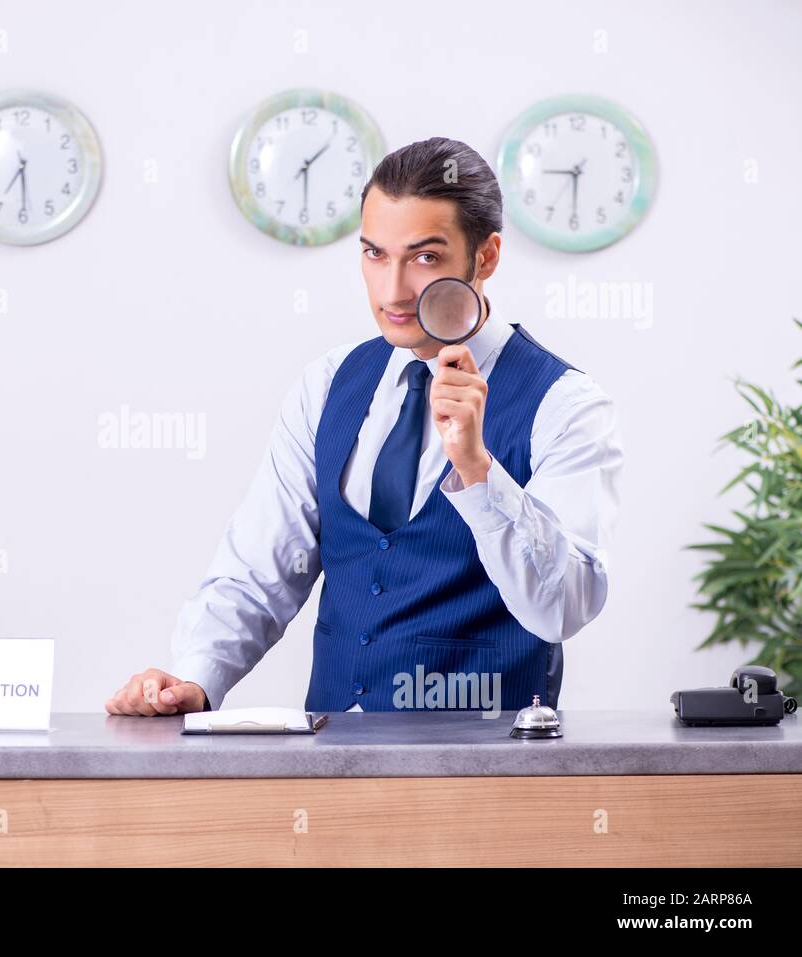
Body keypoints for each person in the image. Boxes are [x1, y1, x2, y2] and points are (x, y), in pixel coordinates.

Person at [105, 136, 622, 717]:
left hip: (489, 771)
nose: (392, 290)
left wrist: (479, 472)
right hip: (331, 766)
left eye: (425, 258)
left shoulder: (566, 404)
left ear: (487, 257)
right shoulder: (329, 384)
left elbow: (564, 607)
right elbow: (261, 567)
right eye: (375, 254)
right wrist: (194, 679)